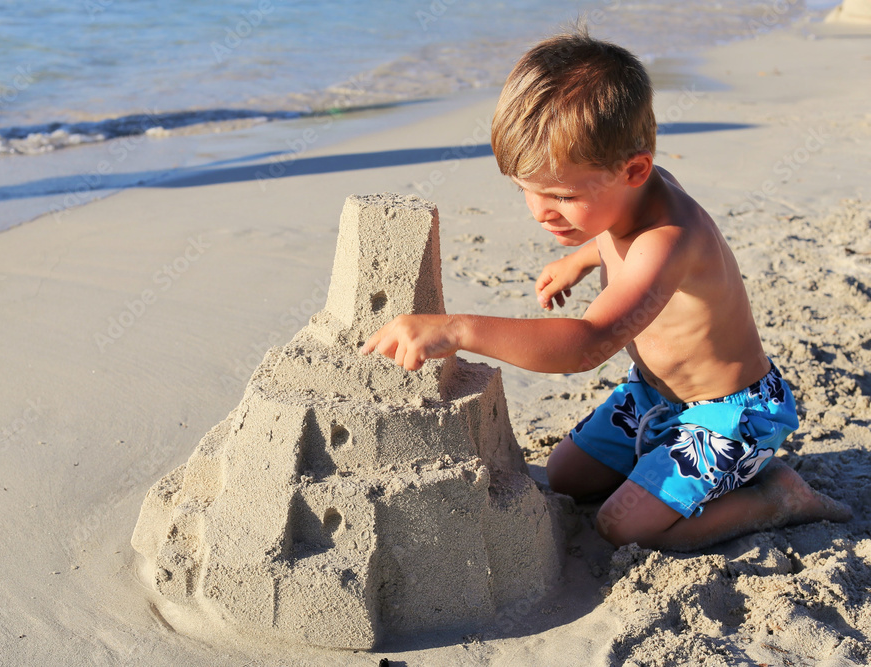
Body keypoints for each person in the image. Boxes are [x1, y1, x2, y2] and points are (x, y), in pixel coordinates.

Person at [360, 30, 851, 551]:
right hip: (655, 394)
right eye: (524, 189)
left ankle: (777, 497)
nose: (539, 210)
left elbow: (588, 344)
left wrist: (459, 329)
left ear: (634, 170)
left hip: (732, 411)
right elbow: (617, 236)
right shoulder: (630, 194)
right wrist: (579, 257)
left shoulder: (670, 239)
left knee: (623, 525)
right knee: (566, 474)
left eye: (561, 195)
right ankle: (669, 472)